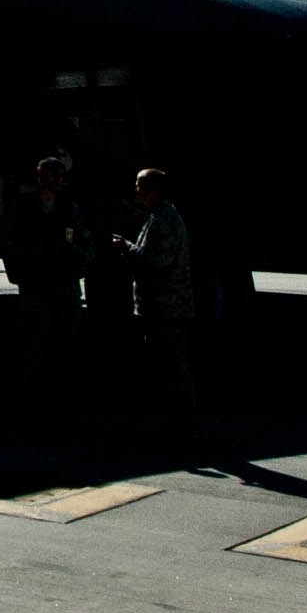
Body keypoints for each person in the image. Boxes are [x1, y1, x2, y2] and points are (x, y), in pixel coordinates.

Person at [117, 166, 200, 422]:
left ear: (154, 191)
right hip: (168, 306)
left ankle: (179, 422)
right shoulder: (161, 216)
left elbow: (154, 261)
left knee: (170, 367)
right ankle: (177, 420)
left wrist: (125, 247)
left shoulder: (162, 220)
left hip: (165, 308)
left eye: (140, 186)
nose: (136, 191)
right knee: (171, 367)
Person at [2, 153, 82, 347]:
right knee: (35, 337)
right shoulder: (24, 207)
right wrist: (18, 272)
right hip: (34, 282)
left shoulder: (70, 208)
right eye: (45, 176)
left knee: (64, 337)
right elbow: (11, 241)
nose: (50, 181)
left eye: (55, 176)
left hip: (64, 281)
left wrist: (75, 265)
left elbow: (81, 240)